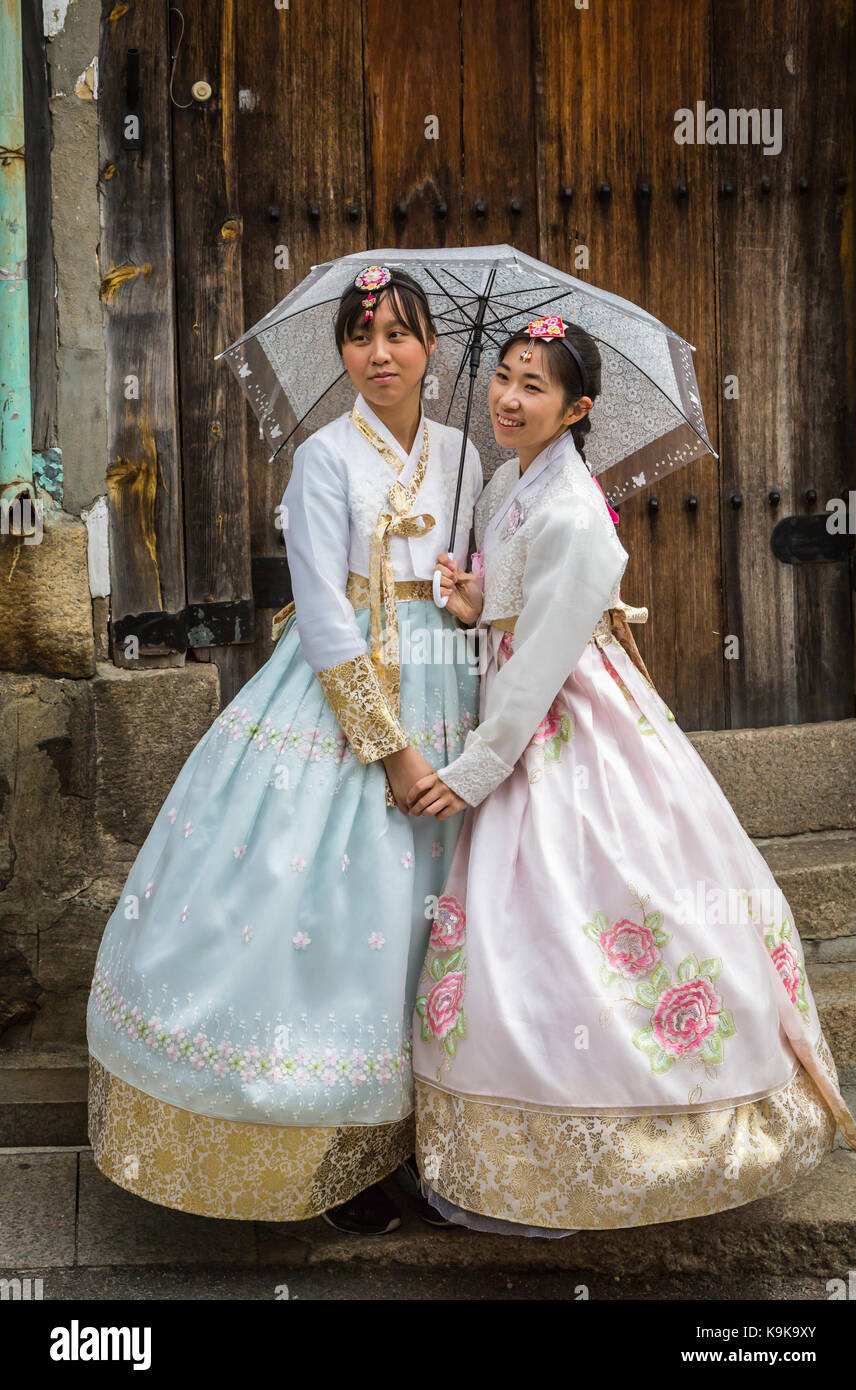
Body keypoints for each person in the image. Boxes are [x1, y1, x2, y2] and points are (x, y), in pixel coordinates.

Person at [406, 315, 856, 1235]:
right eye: (503, 376)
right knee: (519, 916)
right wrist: (471, 600)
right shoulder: (510, 479)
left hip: (570, 718)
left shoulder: (576, 507)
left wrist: (475, 769)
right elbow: (511, 607)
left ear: (576, 409)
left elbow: (539, 654)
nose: (507, 396)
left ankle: (638, 1140)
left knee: (600, 891)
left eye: (534, 386)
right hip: (526, 697)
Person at [86, 266, 484, 1234]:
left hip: (450, 684)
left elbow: (478, 579)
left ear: (431, 347)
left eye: (397, 333)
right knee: (342, 912)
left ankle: (424, 1139)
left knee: (434, 922)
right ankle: (332, 1154)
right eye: (359, 337)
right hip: (344, 698)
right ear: (340, 352)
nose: (378, 353)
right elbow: (318, 613)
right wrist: (389, 752)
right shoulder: (322, 459)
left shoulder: (469, 454)